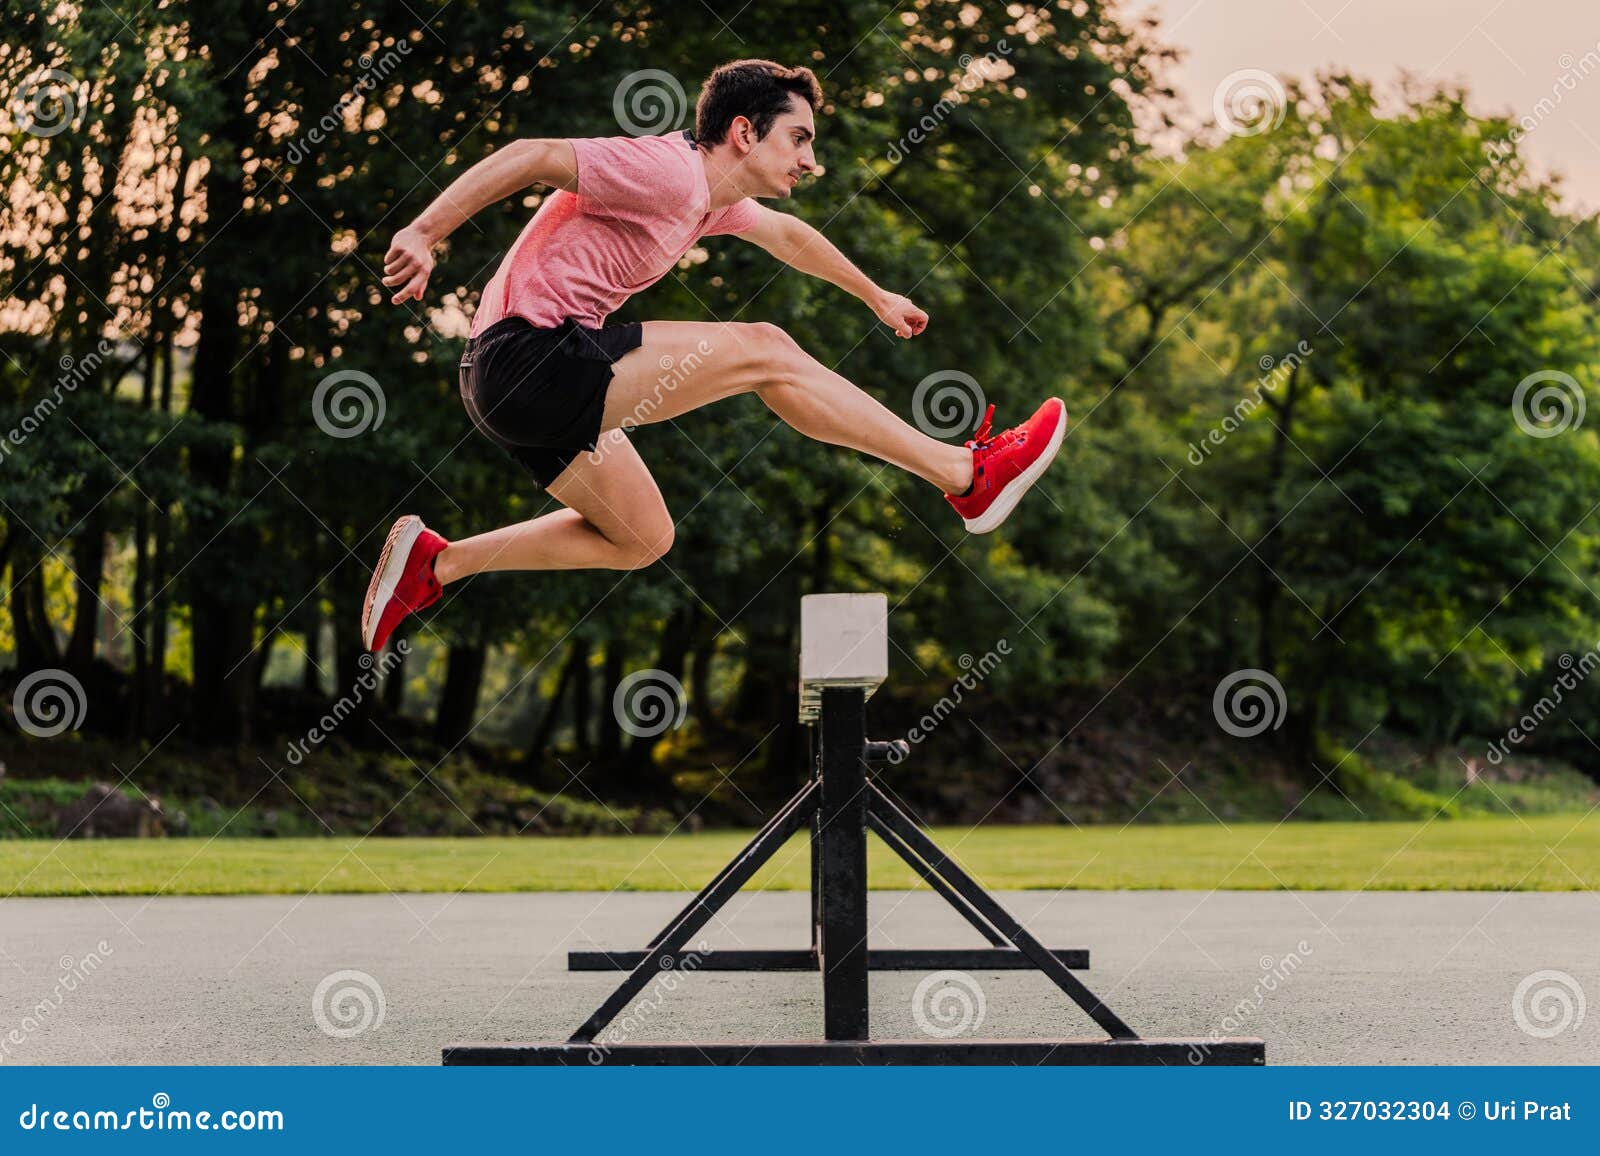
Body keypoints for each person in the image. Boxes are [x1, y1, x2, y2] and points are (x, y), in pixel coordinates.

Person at [363, 59, 1067, 653]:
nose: (810, 160)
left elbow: (788, 237)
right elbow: (533, 156)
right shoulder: (668, 171)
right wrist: (427, 232)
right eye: (798, 139)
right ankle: (966, 476)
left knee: (641, 536)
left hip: (514, 387)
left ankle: (436, 565)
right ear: (742, 132)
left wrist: (875, 295)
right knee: (765, 348)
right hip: (529, 358)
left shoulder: (708, 202)